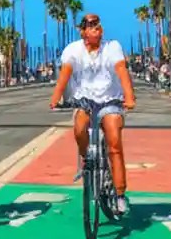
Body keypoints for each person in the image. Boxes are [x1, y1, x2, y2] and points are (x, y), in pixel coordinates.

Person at [49, 13, 136, 215]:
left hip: (110, 101)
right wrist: (55, 98)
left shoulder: (112, 47)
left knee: (114, 141)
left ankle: (120, 194)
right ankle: (85, 158)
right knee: (79, 128)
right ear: (82, 31)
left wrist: (129, 97)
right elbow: (65, 75)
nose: (95, 27)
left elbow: (121, 71)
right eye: (90, 25)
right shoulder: (73, 50)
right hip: (85, 101)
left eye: (97, 24)